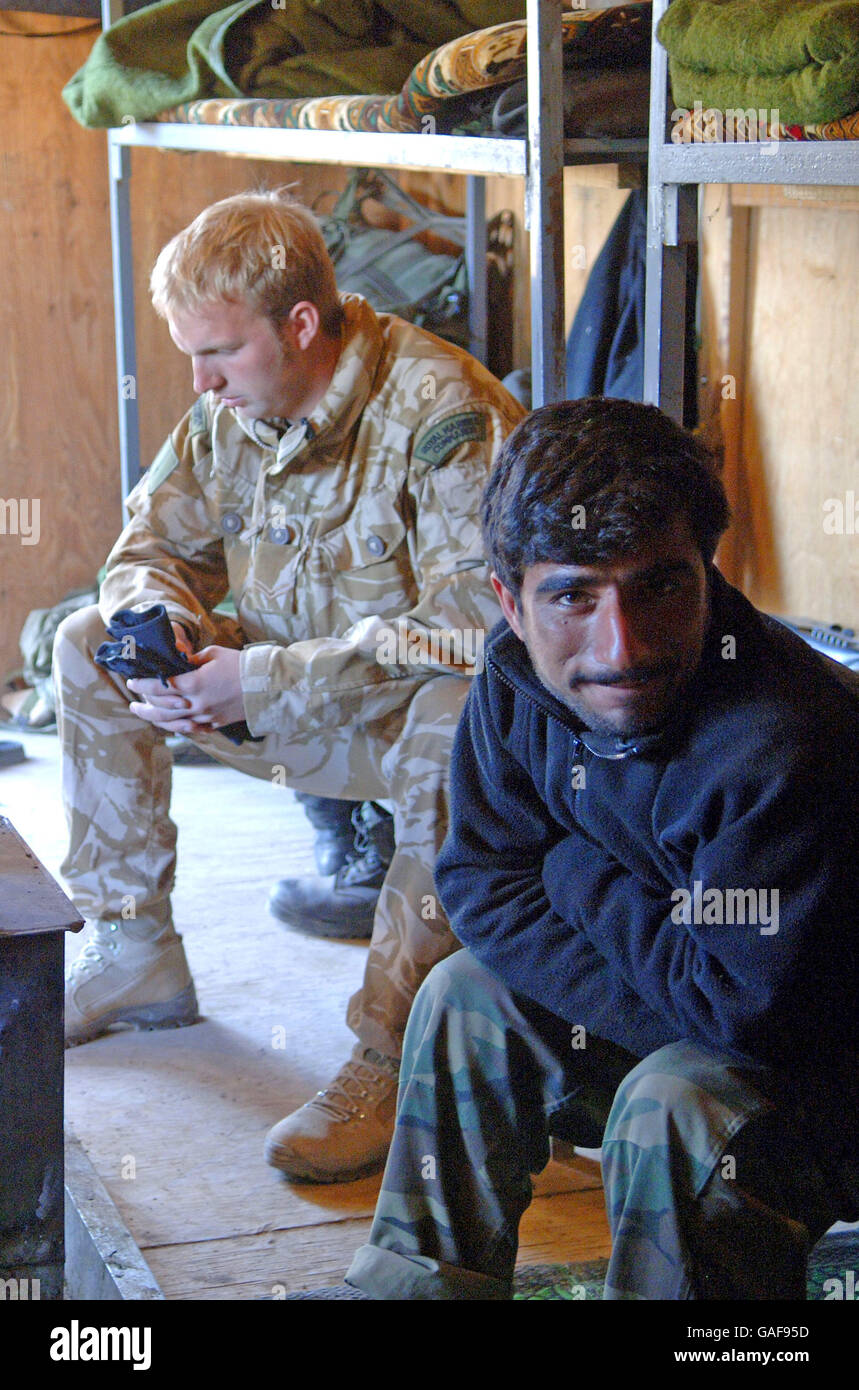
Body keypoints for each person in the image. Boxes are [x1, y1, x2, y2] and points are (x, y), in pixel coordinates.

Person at [54, 189, 524, 1183]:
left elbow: (485, 631)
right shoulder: (236, 407)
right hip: (264, 695)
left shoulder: (442, 411)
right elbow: (145, 549)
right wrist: (163, 627)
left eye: (217, 352)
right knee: (85, 640)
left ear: (300, 323)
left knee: (465, 714)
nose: (199, 378)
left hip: (397, 722)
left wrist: (255, 681)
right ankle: (135, 951)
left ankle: (392, 1053)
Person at [345, 397, 859, 1298]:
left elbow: (746, 1012)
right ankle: (418, 1292)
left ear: (709, 569)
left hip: (828, 1075)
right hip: (702, 1021)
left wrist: (568, 867)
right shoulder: (515, 677)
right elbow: (480, 882)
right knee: (466, 995)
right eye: (572, 595)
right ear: (509, 599)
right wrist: (660, 970)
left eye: (659, 585)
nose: (620, 647)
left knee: (676, 1107)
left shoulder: (782, 739)